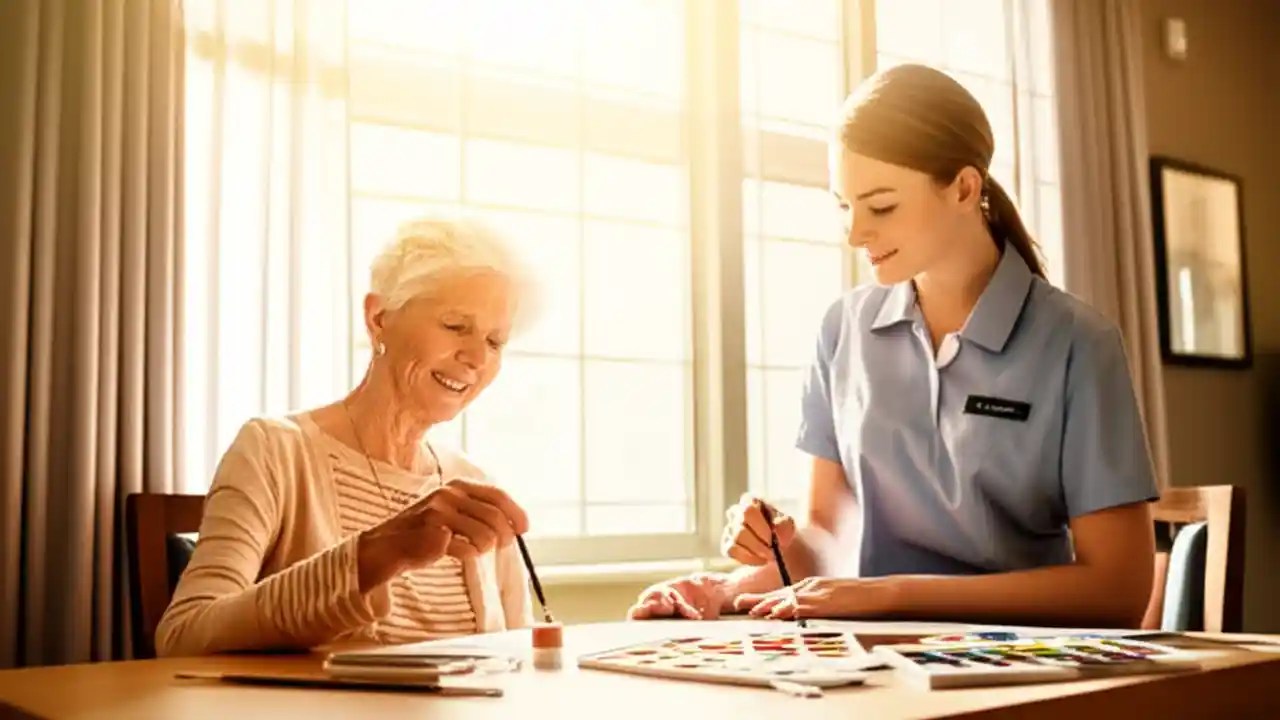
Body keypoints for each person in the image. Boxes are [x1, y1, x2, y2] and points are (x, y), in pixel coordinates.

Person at [628, 64, 1158, 628]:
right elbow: (828, 541)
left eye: (880, 206)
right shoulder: (842, 330)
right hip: (869, 661)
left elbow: (1119, 589)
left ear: (963, 188)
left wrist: (895, 595)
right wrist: (728, 585)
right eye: (843, 206)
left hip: (1019, 667)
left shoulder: (1078, 344)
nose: (855, 233)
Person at [157, 217, 536, 656]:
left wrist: (633, 633)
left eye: (495, 341)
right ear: (378, 319)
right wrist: (374, 555)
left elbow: (523, 651)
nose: (475, 357)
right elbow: (183, 637)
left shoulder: (473, 482)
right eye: (455, 325)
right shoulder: (273, 450)